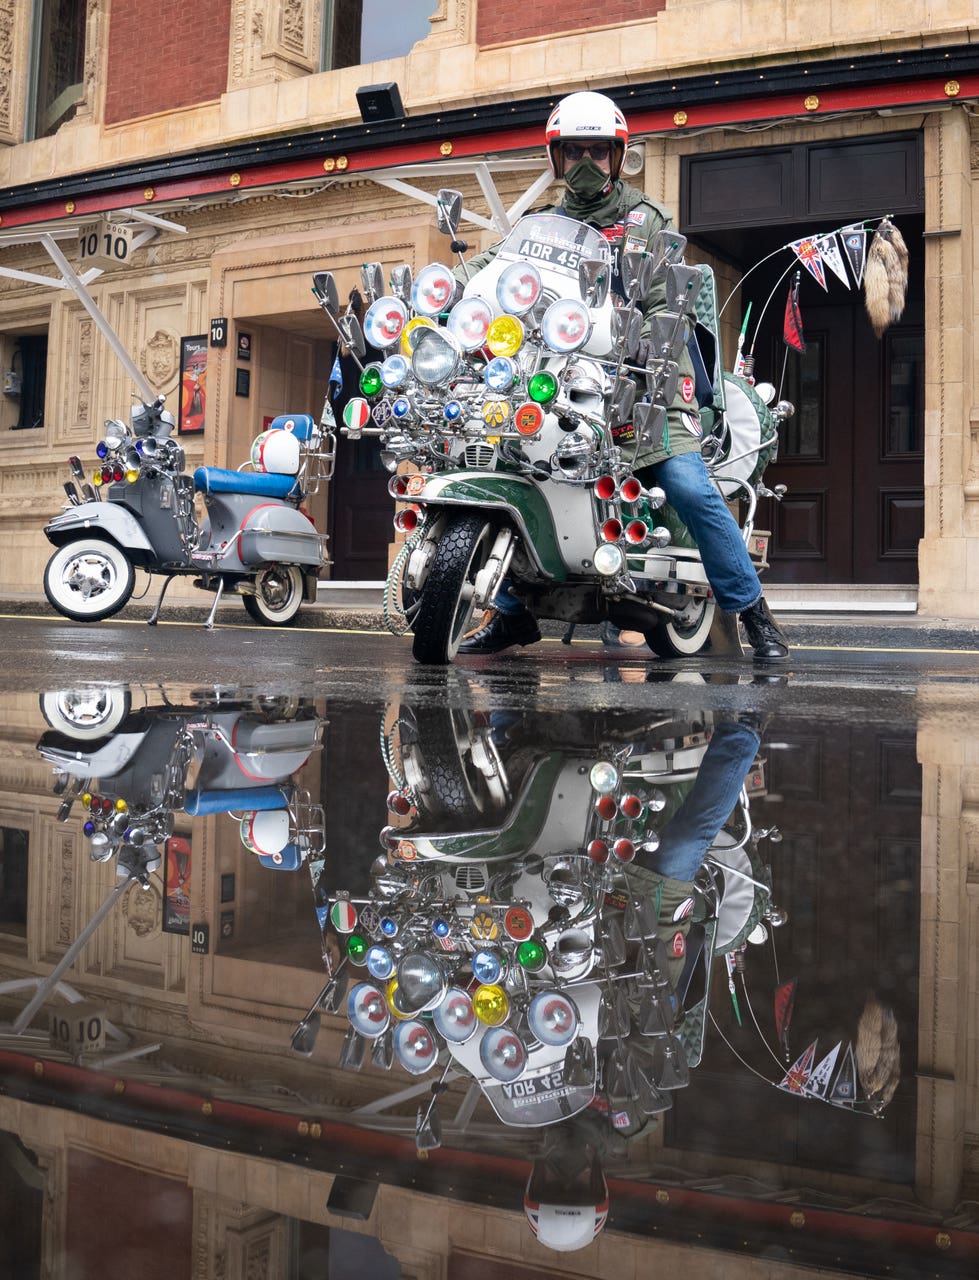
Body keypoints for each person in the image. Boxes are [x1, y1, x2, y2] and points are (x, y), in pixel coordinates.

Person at [457, 90, 789, 662]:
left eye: (598, 152)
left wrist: (646, 345)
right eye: (574, 152)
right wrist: (454, 290)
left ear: (618, 156)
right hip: (561, 379)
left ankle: (753, 610)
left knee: (687, 486)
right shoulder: (541, 224)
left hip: (645, 383)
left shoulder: (646, 221)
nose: (586, 164)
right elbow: (499, 268)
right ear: (556, 159)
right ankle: (512, 614)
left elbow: (666, 302)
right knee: (508, 466)